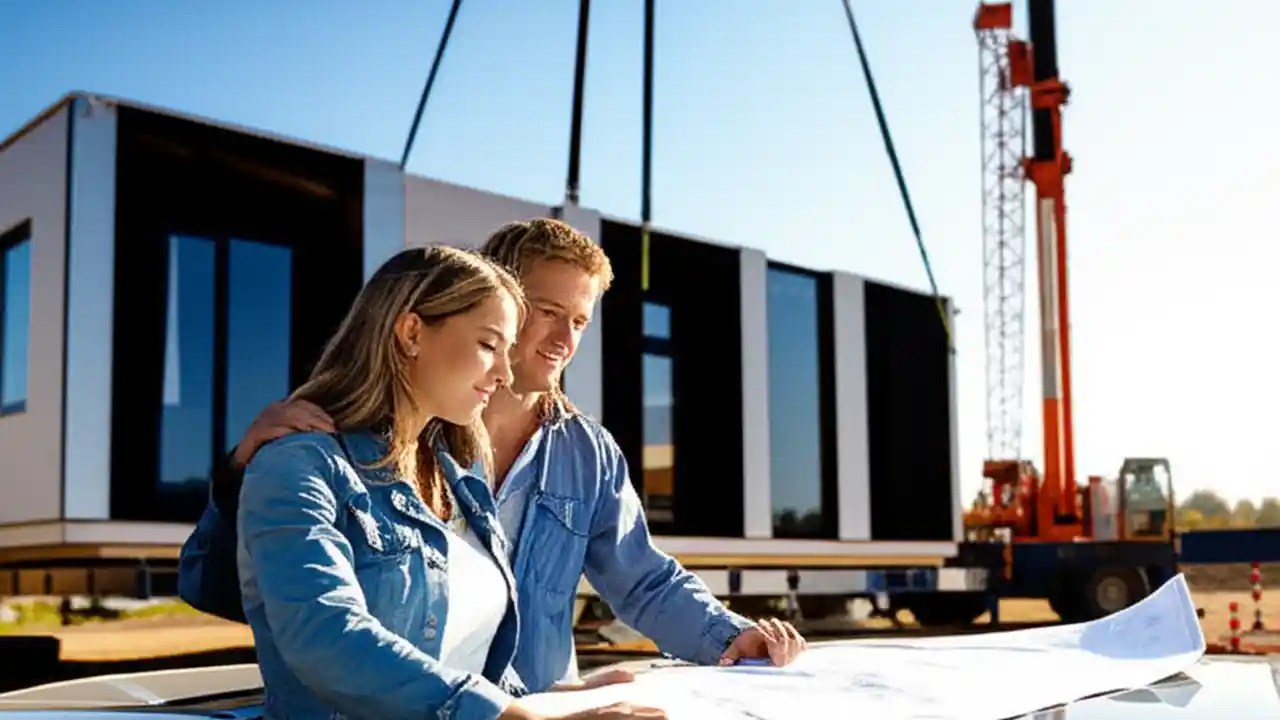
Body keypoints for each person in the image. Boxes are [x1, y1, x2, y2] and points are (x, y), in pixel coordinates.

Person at [180, 218, 806, 694]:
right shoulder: (388, 435)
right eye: (547, 312)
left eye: (581, 322)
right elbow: (252, 597)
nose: (563, 340)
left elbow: (643, 580)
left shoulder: (588, 453)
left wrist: (730, 637)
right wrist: (242, 472)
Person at [228, 244, 664, 720]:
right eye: (488, 345)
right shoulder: (300, 464)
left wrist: (551, 699)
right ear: (412, 332)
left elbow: (468, 656)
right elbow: (325, 635)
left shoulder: (462, 478)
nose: (503, 372)